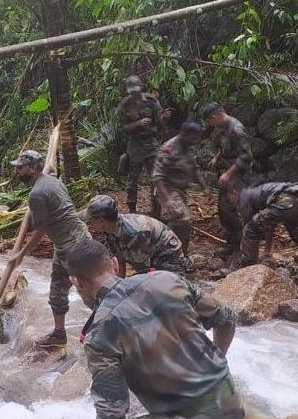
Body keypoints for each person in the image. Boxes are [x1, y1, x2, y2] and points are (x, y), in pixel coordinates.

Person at [69, 239, 243, 419]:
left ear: (76, 282)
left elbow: (111, 416)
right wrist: (216, 359)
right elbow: (227, 319)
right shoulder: (167, 280)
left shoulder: (99, 334)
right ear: (115, 264)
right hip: (231, 406)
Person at [7, 150, 92, 349]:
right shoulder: (52, 181)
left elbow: (40, 230)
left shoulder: (37, 193)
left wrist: (21, 254)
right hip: (65, 245)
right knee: (57, 291)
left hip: (75, 246)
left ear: (33, 168)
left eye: (20, 168)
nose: (17, 172)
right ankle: (59, 334)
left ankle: (114, 328)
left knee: (89, 291)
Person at [80, 195, 193, 276]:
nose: (89, 223)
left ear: (101, 220)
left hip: (169, 258)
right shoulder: (110, 230)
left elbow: (144, 273)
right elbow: (120, 261)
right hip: (151, 257)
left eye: (91, 220)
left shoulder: (133, 234)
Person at [202, 102, 254, 257]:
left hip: (239, 175)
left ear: (216, 116)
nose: (211, 125)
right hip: (229, 173)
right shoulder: (223, 128)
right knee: (223, 209)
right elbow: (226, 147)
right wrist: (217, 157)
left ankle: (241, 248)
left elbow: (246, 156)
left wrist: (228, 174)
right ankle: (231, 243)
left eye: (210, 121)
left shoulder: (236, 130)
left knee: (233, 210)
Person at [228, 180, 298, 271]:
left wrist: (241, 250)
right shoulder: (255, 194)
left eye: (229, 197)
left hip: (286, 201)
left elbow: (250, 227)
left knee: (251, 228)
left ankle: (249, 265)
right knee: (293, 227)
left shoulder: (243, 197)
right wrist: (267, 251)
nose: (230, 201)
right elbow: (268, 224)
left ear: (234, 193)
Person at [152, 121, 210, 254]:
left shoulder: (189, 147)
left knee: (180, 223)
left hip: (181, 190)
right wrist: (166, 200)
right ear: (183, 135)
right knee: (182, 220)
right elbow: (157, 177)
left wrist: (205, 188)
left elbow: (195, 169)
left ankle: (180, 253)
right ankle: (171, 251)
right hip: (167, 189)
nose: (196, 141)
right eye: (193, 138)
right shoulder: (169, 149)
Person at [117, 75, 171, 215]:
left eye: (136, 90)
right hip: (135, 145)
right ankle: (132, 210)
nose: (134, 93)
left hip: (151, 144)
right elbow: (123, 128)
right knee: (132, 179)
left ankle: (156, 211)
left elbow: (159, 120)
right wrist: (138, 124)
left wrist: (163, 118)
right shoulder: (125, 104)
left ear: (141, 87)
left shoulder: (152, 101)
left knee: (156, 177)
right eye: (132, 91)